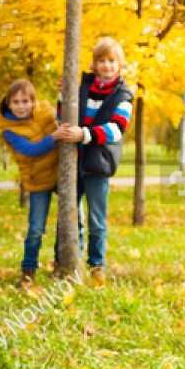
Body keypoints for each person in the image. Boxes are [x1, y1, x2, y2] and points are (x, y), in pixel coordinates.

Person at [0, 79, 80, 287]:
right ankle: (28, 271)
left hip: (61, 173)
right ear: (9, 104)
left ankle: (62, 266)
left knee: (68, 223)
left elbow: (63, 117)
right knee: (36, 228)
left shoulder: (45, 111)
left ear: (34, 101)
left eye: (26, 100)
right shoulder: (8, 128)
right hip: (38, 179)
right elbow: (31, 150)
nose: (21, 106)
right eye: (16, 102)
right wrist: (54, 137)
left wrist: (63, 94)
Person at [69, 37, 133, 283]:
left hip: (99, 163)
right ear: (94, 64)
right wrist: (63, 95)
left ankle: (97, 265)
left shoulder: (123, 96)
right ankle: (71, 262)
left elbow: (116, 129)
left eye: (112, 61)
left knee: (96, 220)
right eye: (101, 61)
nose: (106, 66)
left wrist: (83, 134)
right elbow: (65, 113)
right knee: (73, 217)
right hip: (74, 161)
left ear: (120, 65)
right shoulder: (81, 87)